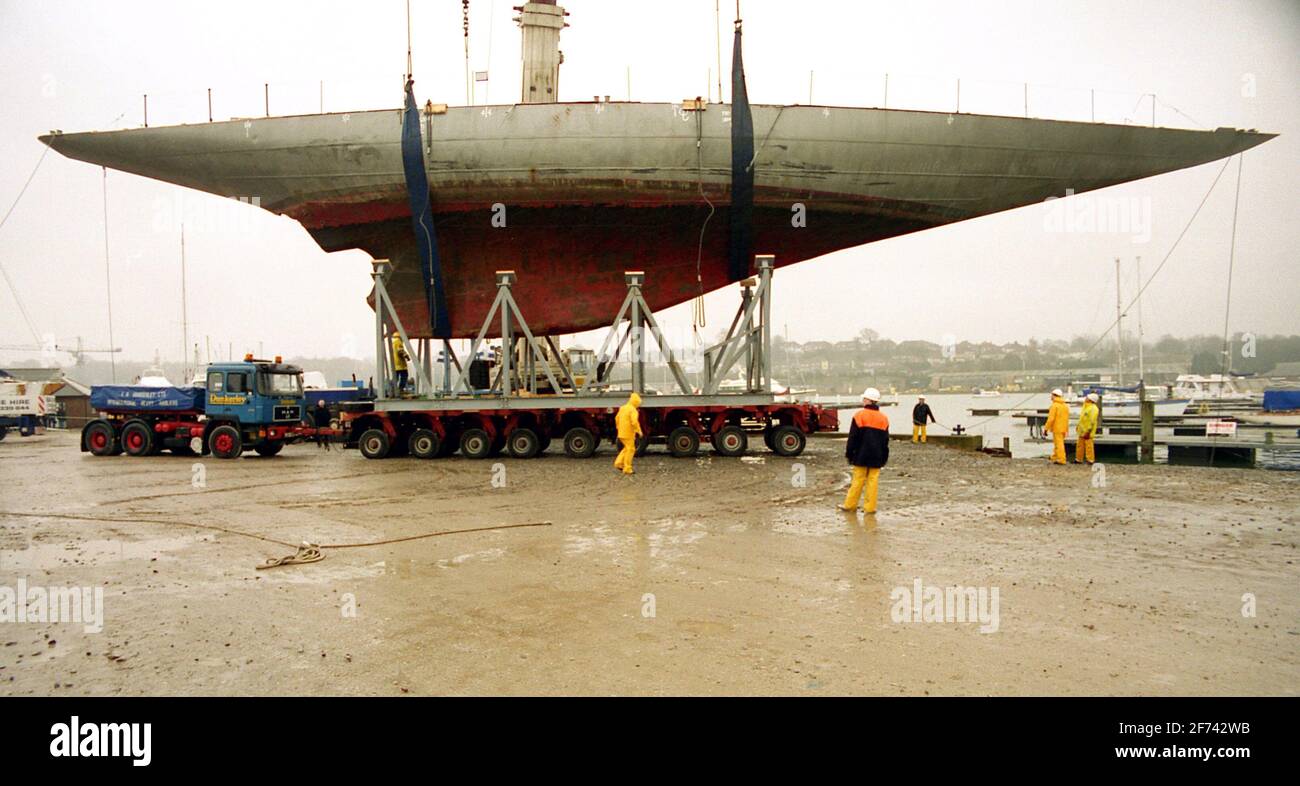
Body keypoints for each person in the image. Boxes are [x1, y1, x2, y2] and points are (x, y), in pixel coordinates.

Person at [842, 387, 890, 514]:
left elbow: (853, 437)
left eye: (864, 398)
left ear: (868, 400)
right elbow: (885, 441)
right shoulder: (883, 418)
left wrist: (849, 453)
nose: (863, 400)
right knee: (873, 482)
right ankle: (870, 508)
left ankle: (849, 505)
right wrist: (884, 457)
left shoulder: (859, 415)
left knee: (858, 480)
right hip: (877, 455)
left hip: (861, 454)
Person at [613, 392, 642, 475]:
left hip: (621, 432)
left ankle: (618, 463)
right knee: (631, 449)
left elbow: (616, 418)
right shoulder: (633, 410)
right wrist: (639, 431)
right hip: (628, 433)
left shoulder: (623, 408)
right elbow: (634, 422)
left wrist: (619, 427)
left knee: (627, 448)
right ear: (636, 402)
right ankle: (627, 468)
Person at [1044, 388, 1070, 465]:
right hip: (1064, 427)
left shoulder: (1054, 406)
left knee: (1059, 444)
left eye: (1051, 395)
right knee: (1058, 443)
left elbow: (1051, 419)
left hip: (1057, 427)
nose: (1051, 396)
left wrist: (1046, 429)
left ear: (1054, 395)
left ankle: (1061, 459)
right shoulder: (1065, 406)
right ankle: (1055, 456)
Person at [1075, 392, 1100, 464]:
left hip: (1088, 431)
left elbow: (1092, 421)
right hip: (1082, 430)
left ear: (1091, 399)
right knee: (1080, 445)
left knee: (1089, 446)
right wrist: (1078, 426)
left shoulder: (1093, 408)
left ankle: (1090, 460)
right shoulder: (1086, 406)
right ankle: (1078, 459)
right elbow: (1082, 418)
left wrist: (1088, 431)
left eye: (1087, 397)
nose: (1086, 398)